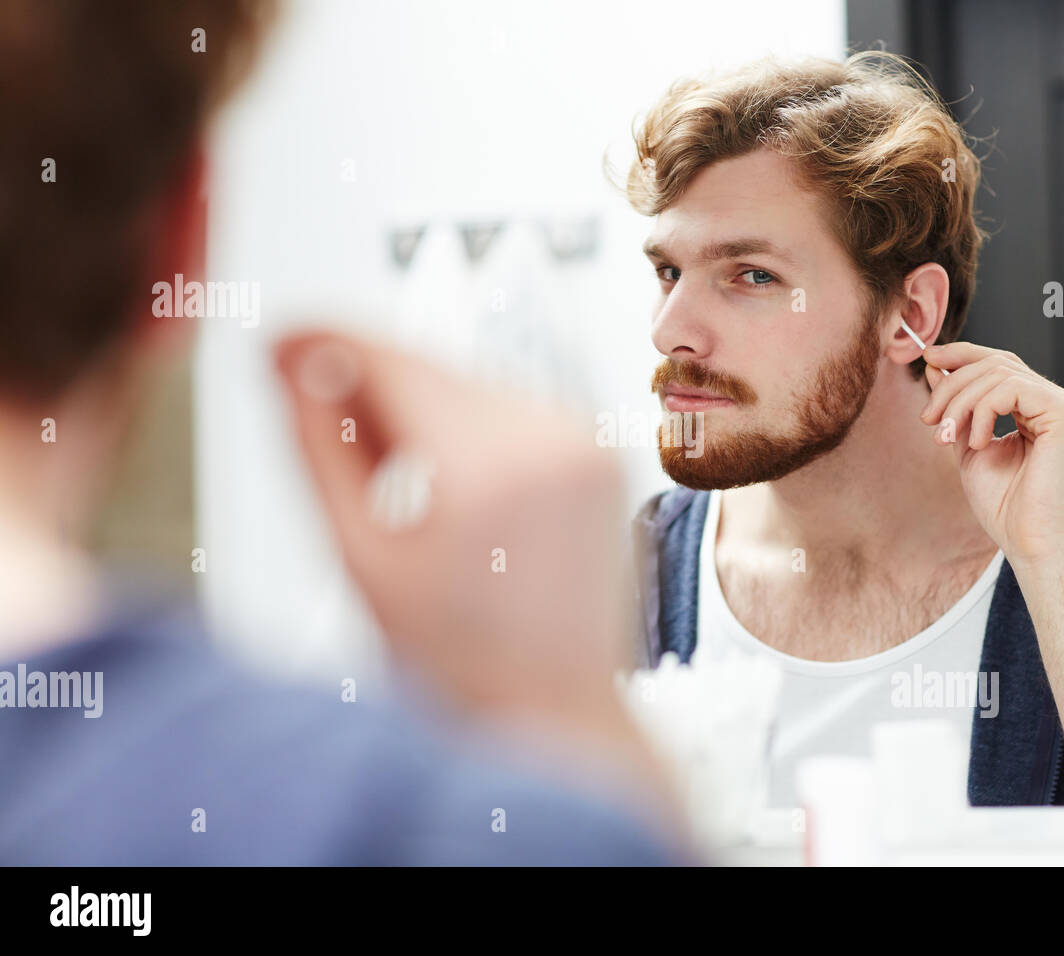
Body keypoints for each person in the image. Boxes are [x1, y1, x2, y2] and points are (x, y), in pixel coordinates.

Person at [0, 0, 684, 865]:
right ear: (183, 238)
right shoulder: (393, 827)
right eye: (666, 274)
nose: (674, 328)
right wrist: (560, 716)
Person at [625, 53, 1064, 808]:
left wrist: (1061, 574)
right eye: (668, 274)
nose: (669, 331)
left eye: (751, 275)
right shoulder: (620, 593)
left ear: (911, 316)